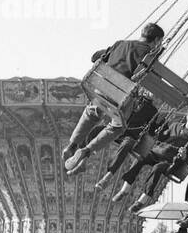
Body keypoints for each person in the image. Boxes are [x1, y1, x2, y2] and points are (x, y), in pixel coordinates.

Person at [61, 22, 166, 168]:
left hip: (99, 89)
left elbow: (97, 57)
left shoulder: (119, 44)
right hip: (119, 97)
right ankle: (86, 150)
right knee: (118, 126)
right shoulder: (148, 56)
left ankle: (72, 145)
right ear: (156, 40)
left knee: (92, 111)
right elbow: (154, 82)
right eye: (159, 42)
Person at [108, 104, 188, 201]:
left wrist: (184, 156)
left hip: (170, 162)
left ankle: (143, 199)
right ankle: (124, 189)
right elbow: (162, 137)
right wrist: (159, 133)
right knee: (140, 158)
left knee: (157, 168)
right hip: (158, 153)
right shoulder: (175, 125)